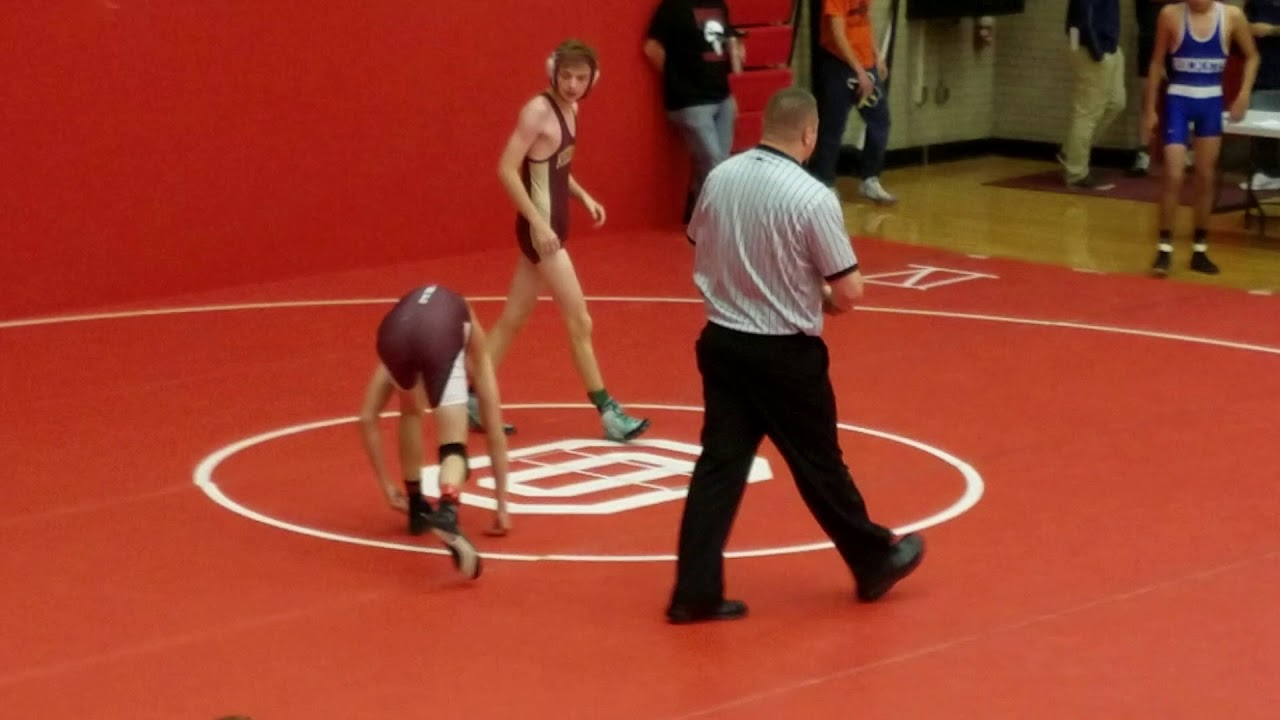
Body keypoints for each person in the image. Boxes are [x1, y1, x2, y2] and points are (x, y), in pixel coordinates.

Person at [666, 87, 924, 624]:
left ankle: (694, 589)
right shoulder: (812, 197)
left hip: (722, 342)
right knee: (820, 465)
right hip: (784, 354)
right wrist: (820, 297)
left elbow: (698, 238)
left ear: (766, 127)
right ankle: (874, 559)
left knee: (719, 467)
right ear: (809, 134)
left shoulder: (721, 176)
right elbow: (848, 290)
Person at [476, 39, 651, 443]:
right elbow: (506, 169)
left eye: (581, 78)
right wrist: (537, 224)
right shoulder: (537, 111)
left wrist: (582, 194)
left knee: (513, 318)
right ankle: (608, 411)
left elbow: (554, 166)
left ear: (593, 80)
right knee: (580, 320)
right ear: (552, 71)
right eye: (567, 76)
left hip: (550, 227)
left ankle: (470, 397)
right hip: (544, 235)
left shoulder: (572, 109)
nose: (572, 84)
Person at [359, 284, 512, 579]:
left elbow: (367, 418)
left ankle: (416, 505)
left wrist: (386, 485)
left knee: (410, 411)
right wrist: (501, 506)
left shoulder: (436, 315)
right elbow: (493, 427)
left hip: (392, 336)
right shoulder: (472, 342)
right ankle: (448, 507)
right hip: (435, 336)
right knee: (453, 448)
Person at [1143, 0, 1258, 276]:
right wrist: (1149, 109)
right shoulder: (1170, 15)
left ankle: (1200, 249)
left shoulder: (1232, 16)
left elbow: (1253, 56)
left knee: (1205, 176)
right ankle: (1164, 247)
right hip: (1178, 101)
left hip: (1210, 102)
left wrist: (1244, 93)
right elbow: (1157, 61)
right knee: (1173, 174)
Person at [643, 0, 745, 224]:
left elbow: (726, 43)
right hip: (691, 101)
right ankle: (727, 221)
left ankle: (702, 220)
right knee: (715, 162)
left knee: (711, 163)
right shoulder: (672, 6)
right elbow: (652, 48)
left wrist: (735, 57)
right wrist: (678, 80)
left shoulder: (718, 4)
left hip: (721, 96)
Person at [809, 0, 897, 204]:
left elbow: (865, 21)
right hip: (840, 66)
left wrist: (877, 56)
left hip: (866, 64)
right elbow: (837, 34)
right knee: (833, 126)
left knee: (880, 121)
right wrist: (859, 71)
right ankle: (826, 183)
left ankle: (870, 178)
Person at [1060, 0, 1125, 191]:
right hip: (1093, 49)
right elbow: (1082, 19)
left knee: (1116, 102)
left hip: (1107, 46)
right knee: (1087, 112)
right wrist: (1097, 52)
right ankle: (1076, 173)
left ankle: (1072, 153)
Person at [1130, 0, 1184, 177]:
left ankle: (1186, 150)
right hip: (1149, 41)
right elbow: (1140, 13)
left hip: (1178, 42)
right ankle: (1143, 153)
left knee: (1183, 97)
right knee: (1147, 100)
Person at [1241, 0, 1280, 190]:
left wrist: (1272, 30)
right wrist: (1248, 28)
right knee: (1261, 128)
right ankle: (1267, 172)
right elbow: (1242, 23)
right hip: (1263, 73)